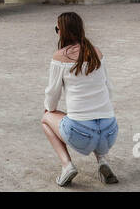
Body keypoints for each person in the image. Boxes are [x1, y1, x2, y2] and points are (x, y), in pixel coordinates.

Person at [42, 11, 120, 188]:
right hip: (110, 131)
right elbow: (109, 88)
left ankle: (67, 165)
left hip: (82, 135)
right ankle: (102, 161)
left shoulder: (60, 57)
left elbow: (52, 95)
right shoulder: (97, 53)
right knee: (94, 116)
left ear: (62, 31)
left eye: (57, 29)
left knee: (46, 119)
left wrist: (49, 109)